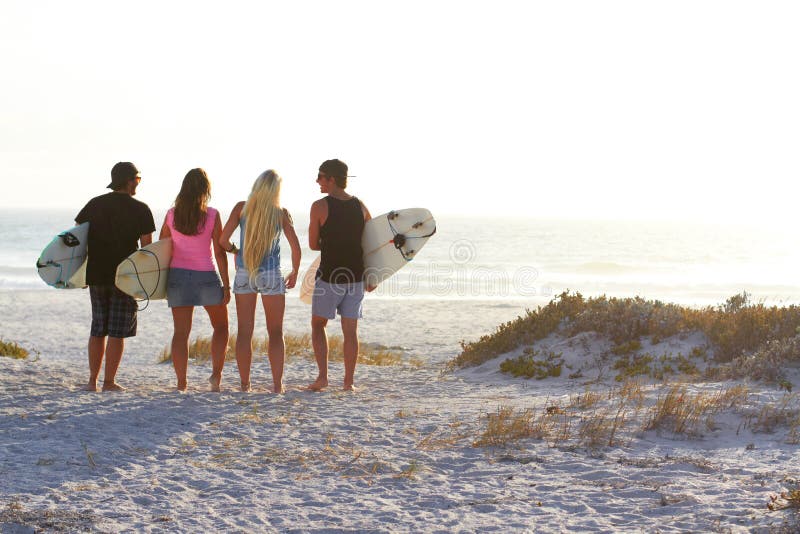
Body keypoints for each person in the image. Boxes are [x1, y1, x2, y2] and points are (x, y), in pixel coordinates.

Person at [75, 162, 155, 392]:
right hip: (125, 277)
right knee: (117, 332)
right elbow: (147, 249)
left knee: (98, 328)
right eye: (137, 180)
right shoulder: (141, 209)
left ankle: (92, 382)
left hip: (97, 274)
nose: (138, 184)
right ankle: (108, 382)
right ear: (128, 181)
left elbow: (77, 238)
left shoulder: (94, 204)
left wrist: (79, 273)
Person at [219, 170, 301, 393]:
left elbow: (223, 241)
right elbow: (295, 246)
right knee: (275, 332)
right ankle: (277, 385)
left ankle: (245, 385)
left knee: (245, 331)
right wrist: (294, 271)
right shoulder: (280, 213)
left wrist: (237, 251)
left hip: (245, 273)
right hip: (271, 274)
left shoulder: (241, 208)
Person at [159, 168, 230, 392]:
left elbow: (162, 246)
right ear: (205, 190)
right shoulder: (212, 215)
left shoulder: (171, 214)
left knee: (181, 333)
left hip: (178, 276)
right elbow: (219, 252)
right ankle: (216, 377)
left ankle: (182, 383)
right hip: (206, 276)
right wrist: (226, 285)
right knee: (221, 327)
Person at [307, 159, 372, 392]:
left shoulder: (319, 207)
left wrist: (330, 240)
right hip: (356, 277)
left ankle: (323, 377)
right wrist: (372, 275)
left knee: (318, 324)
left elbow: (313, 244)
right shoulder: (361, 207)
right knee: (350, 331)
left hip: (330, 276)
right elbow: (372, 242)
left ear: (331, 179)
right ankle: (349, 382)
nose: (317, 181)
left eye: (321, 176)